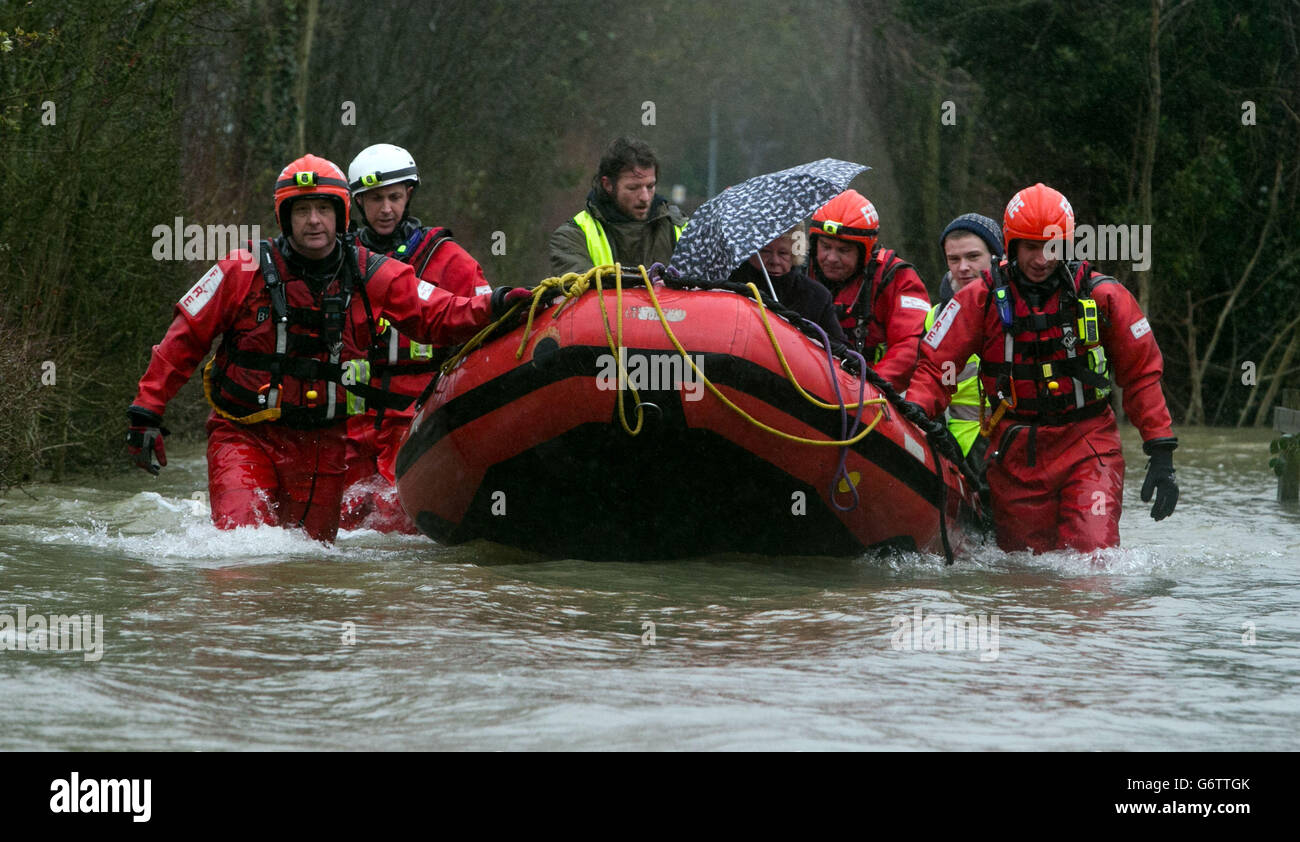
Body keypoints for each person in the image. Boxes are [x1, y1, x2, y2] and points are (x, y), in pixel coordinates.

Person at [126, 153, 533, 542]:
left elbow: (438, 313)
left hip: (324, 444)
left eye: (323, 209)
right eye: (302, 211)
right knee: (243, 550)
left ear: (340, 214)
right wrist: (146, 412)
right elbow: (183, 339)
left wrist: (496, 304)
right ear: (285, 218)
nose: (314, 221)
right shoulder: (242, 268)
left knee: (312, 562)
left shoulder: (370, 271)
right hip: (246, 434)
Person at [907, 183, 1179, 554]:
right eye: (1031, 247)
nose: (1041, 258)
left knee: (1093, 559)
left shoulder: (1104, 296)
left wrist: (1160, 451)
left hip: (1087, 443)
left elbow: (1141, 374)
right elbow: (935, 367)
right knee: (1025, 570)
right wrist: (915, 416)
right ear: (1012, 246)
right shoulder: (979, 299)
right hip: (1016, 451)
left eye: (1051, 246)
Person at [339, 143, 494, 532]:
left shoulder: (449, 260)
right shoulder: (339, 260)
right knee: (337, 527)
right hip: (348, 421)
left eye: (394, 197)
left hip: (416, 419)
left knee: (399, 528)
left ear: (409, 195)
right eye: (375, 199)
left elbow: (484, 327)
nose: (386, 209)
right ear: (358, 203)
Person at [807, 189, 931, 392]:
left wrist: (868, 389)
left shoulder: (898, 279)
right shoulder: (801, 272)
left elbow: (911, 344)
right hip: (810, 381)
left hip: (873, 391)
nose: (831, 258)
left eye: (843, 250)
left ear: (865, 251)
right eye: (825, 246)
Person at [923, 213, 1004, 470]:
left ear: (996, 257)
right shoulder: (934, 318)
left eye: (972, 257)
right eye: (954, 259)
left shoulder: (1021, 308)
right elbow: (927, 385)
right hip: (957, 442)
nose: (963, 267)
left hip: (1014, 435)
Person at [549, 136, 686, 276]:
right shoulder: (573, 236)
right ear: (608, 185)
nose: (645, 197)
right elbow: (580, 289)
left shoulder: (682, 230)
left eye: (650, 186)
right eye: (633, 188)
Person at [727, 229, 847, 346]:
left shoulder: (817, 296)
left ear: (795, 254)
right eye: (765, 251)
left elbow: (841, 350)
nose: (775, 261)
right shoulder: (730, 288)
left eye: (783, 253)